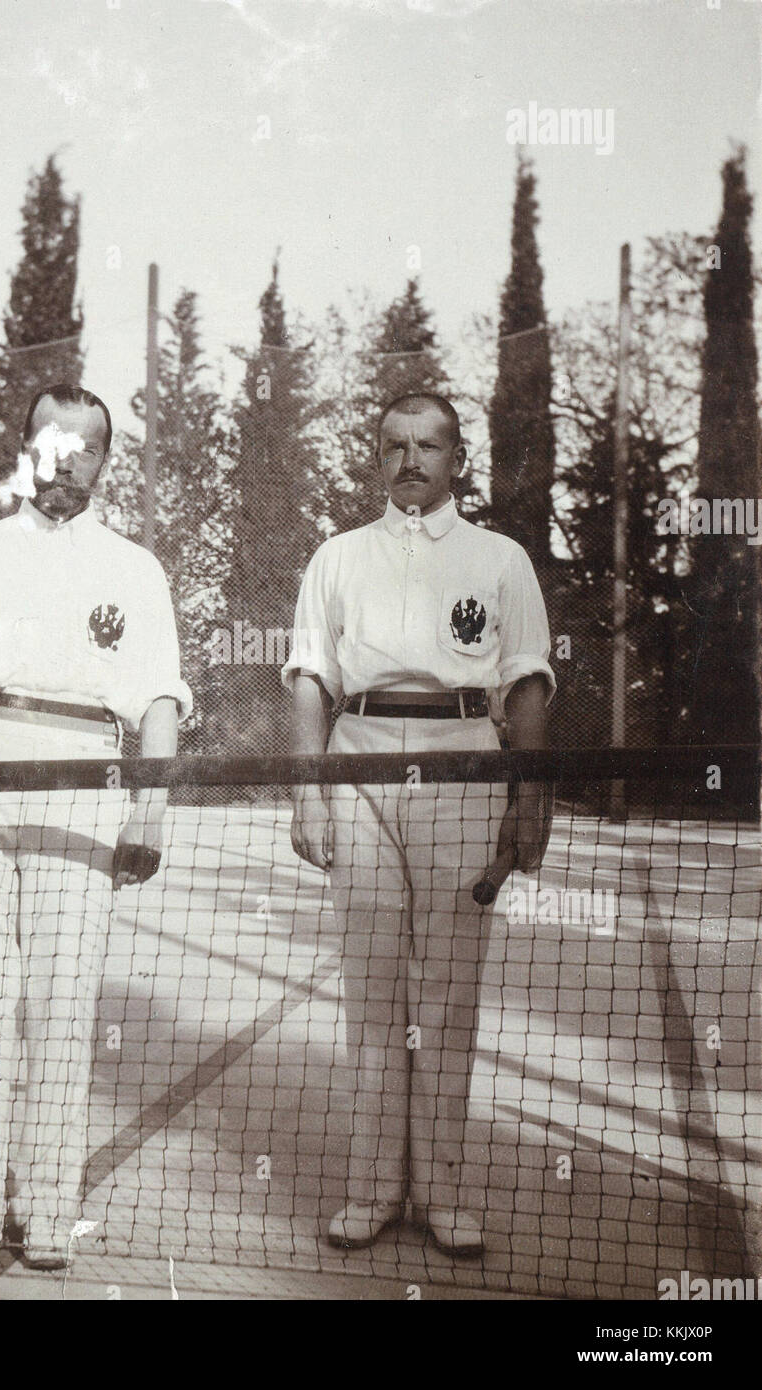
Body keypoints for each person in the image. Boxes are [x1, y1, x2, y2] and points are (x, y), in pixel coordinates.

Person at [0, 383, 191, 1284]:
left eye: (87, 446)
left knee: (62, 1010)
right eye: (51, 441)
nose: (67, 459)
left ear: (107, 460)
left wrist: (147, 809)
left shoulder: (135, 568)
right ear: (25, 448)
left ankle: (47, 1219)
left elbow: (156, 702)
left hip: (86, 781)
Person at [282, 391, 554, 1256]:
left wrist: (530, 793)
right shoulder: (337, 556)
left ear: (456, 460)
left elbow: (526, 681)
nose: (410, 460)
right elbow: (308, 677)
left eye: (427, 447)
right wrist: (307, 786)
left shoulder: (499, 558)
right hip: (358, 755)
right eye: (394, 445)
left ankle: (442, 1194)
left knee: (448, 993)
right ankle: (372, 1190)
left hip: (464, 756)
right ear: (376, 456)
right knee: (370, 992)